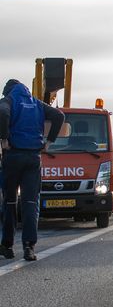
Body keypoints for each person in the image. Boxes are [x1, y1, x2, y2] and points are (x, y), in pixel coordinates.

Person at [0, 79, 65, 261]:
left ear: (7, 92)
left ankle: (7, 246)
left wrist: (4, 139)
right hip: (34, 158)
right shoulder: (36, 102)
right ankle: (29, 247)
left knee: (10, 202)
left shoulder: (8, 101)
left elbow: (3, 113)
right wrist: (49, 142)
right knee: (30, 202)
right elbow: (59, 116)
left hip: (12, 156)